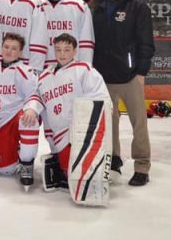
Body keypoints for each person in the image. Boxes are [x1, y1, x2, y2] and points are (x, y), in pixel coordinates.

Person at [91, 0, 155, 186]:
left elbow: (146, 42)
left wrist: (141, 72)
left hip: (129, 76)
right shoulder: (98, 4)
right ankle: (114, 157)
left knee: (139, 123)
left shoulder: (138, 7)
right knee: (109, 121)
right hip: (103, 76)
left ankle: (142, 166)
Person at [22, 33, 110, 194]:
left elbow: (100, 96)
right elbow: (38, 96)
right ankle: (58, 165)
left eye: (67, 50)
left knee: (80, 176)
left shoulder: (84, 70)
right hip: (58, 135)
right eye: (58, 50)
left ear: (75, 51)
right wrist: (31, 108)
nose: (62, 54)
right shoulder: (45, 75)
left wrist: (89, 126)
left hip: (79, 132)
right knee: (69, 173)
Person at [0, 33, 40, 189]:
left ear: (21, 52)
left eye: (14, 48)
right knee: (6, 170)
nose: (9, 51)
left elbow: (34, 94)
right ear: (1, 47)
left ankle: (27, 164)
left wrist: (31, 109)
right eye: (6, 47)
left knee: (29, 121)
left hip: (16, 116)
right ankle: (14, 150)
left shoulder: (26, 71)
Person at [39, 0, 94, 69]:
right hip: (46, 66)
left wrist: (86, 66)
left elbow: (86, 39)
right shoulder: (38, 6)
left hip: (72, 65)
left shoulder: (79, 5)